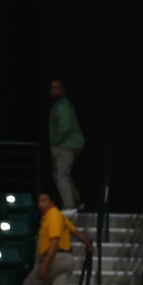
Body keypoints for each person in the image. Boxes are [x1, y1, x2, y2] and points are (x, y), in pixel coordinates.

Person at [22, 188, 95, 285]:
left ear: (52, 202)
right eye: (39, 201)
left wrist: (44, 266)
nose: (41, 204)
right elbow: (74, 231)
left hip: (54, 258)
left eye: (44, 200)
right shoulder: (59, 216)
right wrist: (87, 243)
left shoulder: (53, 216)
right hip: (67, 258)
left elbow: (54, 242)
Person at [48, 77, 86, 210]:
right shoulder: (60, 105)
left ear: (63, 90)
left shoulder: (63, 105)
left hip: (66, 145)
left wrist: (57, 141)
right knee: (62, 174)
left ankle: (69, 205)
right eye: (52, 88)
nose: (54, 90)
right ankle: (76, 201)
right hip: (69, 144)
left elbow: (65, 126)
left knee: (61, 175)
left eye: (57, 87)